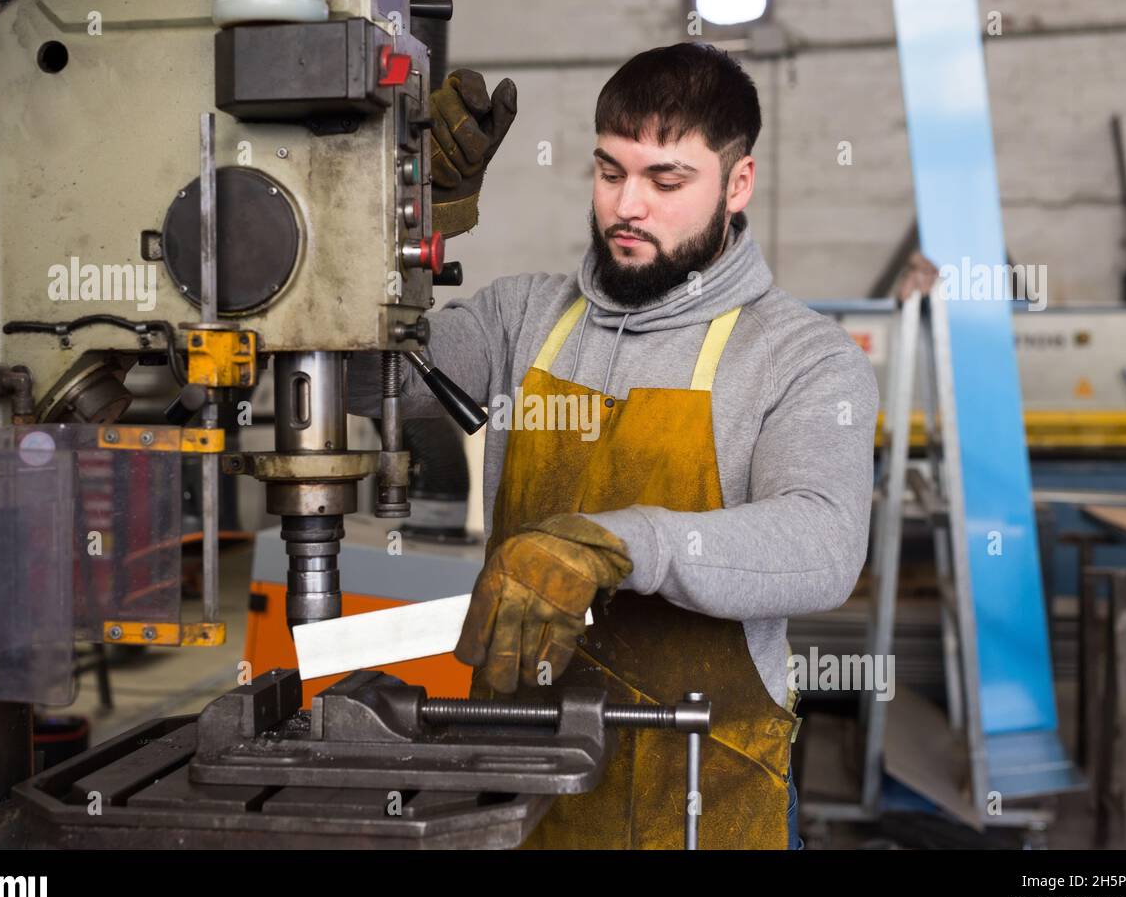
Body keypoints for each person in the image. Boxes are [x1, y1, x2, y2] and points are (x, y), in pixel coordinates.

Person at [350, 42, 877, 849]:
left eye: (666, 181)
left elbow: (825, 543)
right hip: (524, 791)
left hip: (703, 797)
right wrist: (409, 220)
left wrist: (620, 543)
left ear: (739, 185)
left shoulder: (803, 355)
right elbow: (367, 382)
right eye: (609, 172)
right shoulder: (522, 317)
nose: (628, 205)